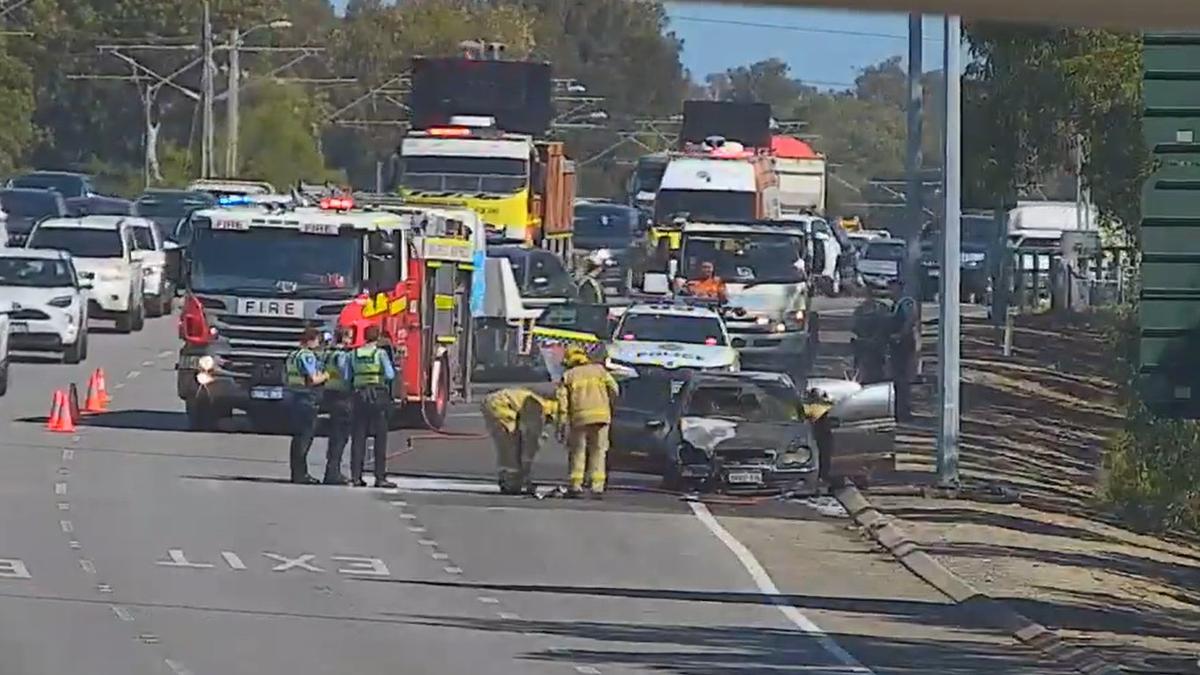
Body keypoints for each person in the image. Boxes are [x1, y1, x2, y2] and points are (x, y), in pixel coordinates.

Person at [556, 345, 619, 498]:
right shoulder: (599, 371)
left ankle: (576, 485)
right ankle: (597, 486)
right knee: (599, 450)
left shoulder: (568, 375)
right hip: (602, 416)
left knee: (578, 451)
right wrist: (607, 404)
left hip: (579, 418)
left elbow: (562, 402)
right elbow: (614, 389)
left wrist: (562, 423)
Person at [480, 385, 558, 494]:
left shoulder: (539, 403)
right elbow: (532, 435)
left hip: (497, 403)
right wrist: (528, 461)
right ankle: (510, 483)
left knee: (510, 445)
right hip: (499, 406)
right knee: (510, 444)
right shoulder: (538, 406)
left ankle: (510, 480)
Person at [349, 324, 397, 488]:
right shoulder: (380, 353)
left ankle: (356, 476)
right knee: (380, 438)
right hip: (378, 395)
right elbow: (390, 375)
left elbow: (349, 375)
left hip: (359, 395)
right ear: (377, 338)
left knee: (358, 437)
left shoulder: (354, 353)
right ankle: (380, 477)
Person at [284, 327, 328, 484]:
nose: (318, 343)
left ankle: (296, 473)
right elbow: (313, 379)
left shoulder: (292, 355)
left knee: (297, 438)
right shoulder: (307, 356)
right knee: (305, 437)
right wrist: (327, 375)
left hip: (292, 397)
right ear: (310, 340)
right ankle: (301, 474)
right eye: (317, 340)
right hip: (306, 398)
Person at [321, 327, 354, 485]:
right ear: (345, 338)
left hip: (329, 394)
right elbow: (346, 375)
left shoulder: (328, 354)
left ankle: (331, 470)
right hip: (342, 396)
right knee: (340, 437)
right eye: (350, 337)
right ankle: (333, 472)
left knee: (334, 436)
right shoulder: (342, 356)